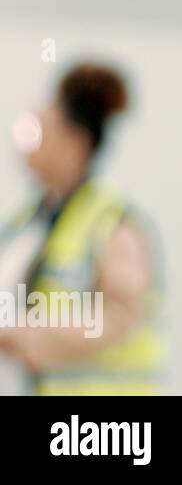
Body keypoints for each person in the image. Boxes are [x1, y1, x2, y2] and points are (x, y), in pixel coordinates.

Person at [0, 63, 165, 395]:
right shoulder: (29, 219)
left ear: (76, 142)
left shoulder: (113, 222)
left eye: (41, 131)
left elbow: (118, 317)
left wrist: (24, 335)